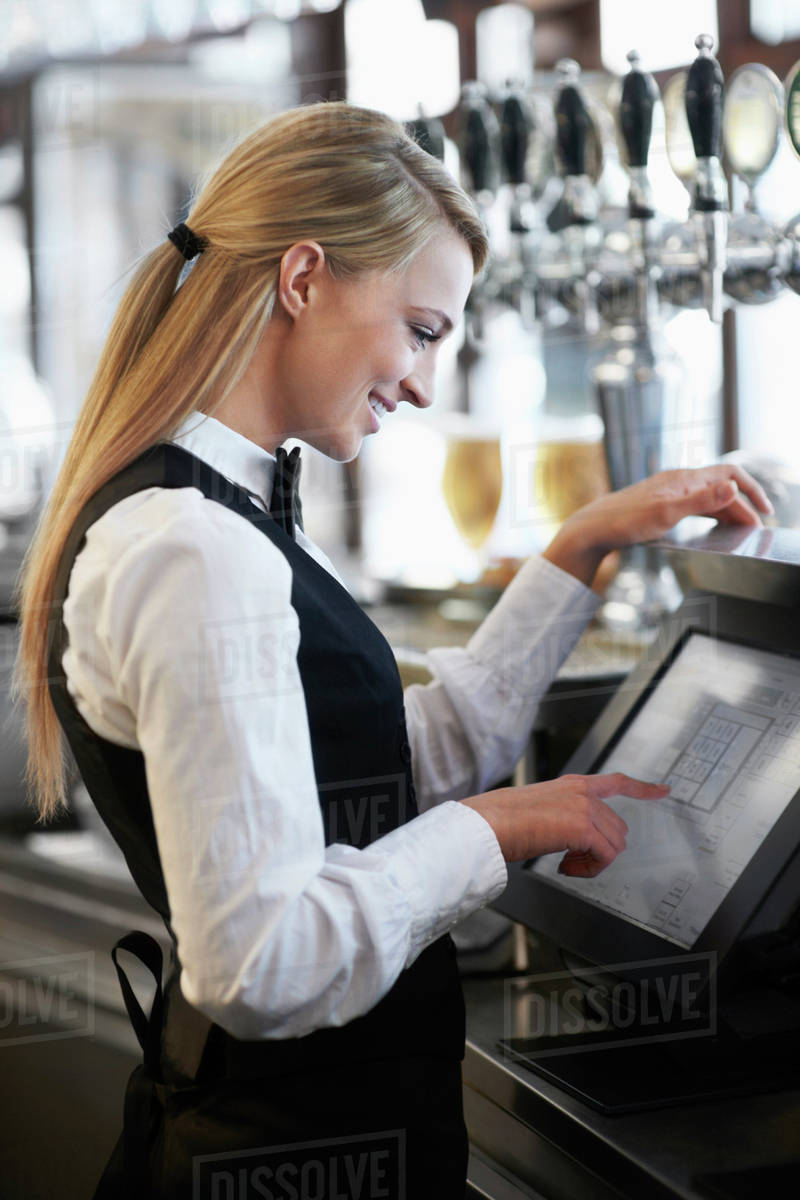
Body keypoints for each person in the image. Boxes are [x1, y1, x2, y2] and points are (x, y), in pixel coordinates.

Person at [12, 102, 770, 1200]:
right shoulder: (195, 547)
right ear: (303, 278)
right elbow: (262, 962)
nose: (422, 383)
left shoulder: (229, 510)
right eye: (420, 330)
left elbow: (382, 763)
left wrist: (582, 544)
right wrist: (490, 831)